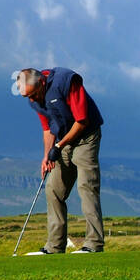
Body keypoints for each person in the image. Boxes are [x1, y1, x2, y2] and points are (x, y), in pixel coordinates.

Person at [14, 66, 105, 254]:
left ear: (41, 82)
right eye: (27, 97)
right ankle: (54, 247)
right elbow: (47, 129)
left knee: (86, 186)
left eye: (33, 95)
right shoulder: (33, 99)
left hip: (86, 137)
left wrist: (58, 146)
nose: (32, 100)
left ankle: (93, 245)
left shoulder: (67, 81)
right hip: (63, 139)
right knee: (53, 190)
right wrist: (47, 155)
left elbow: (82, 121)